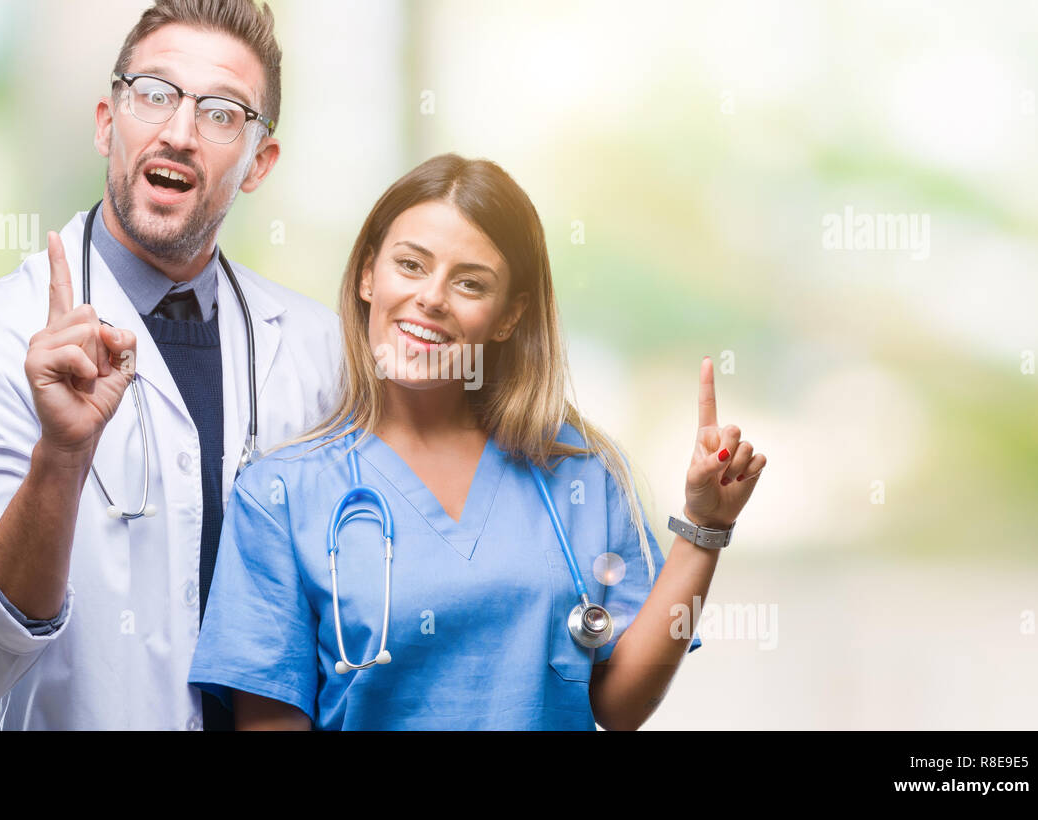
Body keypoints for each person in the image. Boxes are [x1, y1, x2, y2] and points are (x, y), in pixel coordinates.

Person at [188, 153, 767, 730]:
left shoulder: (580, 474)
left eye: (470, 282)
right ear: (368, 275)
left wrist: (704, 528)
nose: (433, 298)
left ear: (509, 316)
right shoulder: (279, 496)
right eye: (411, 265)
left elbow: (618, 709)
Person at [0, 0, 341, 730]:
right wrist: (61, 458)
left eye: (222, 113)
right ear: (109, 121)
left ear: (259, 163)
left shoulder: (319, 352)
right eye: (155, 96)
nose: (178, 133)